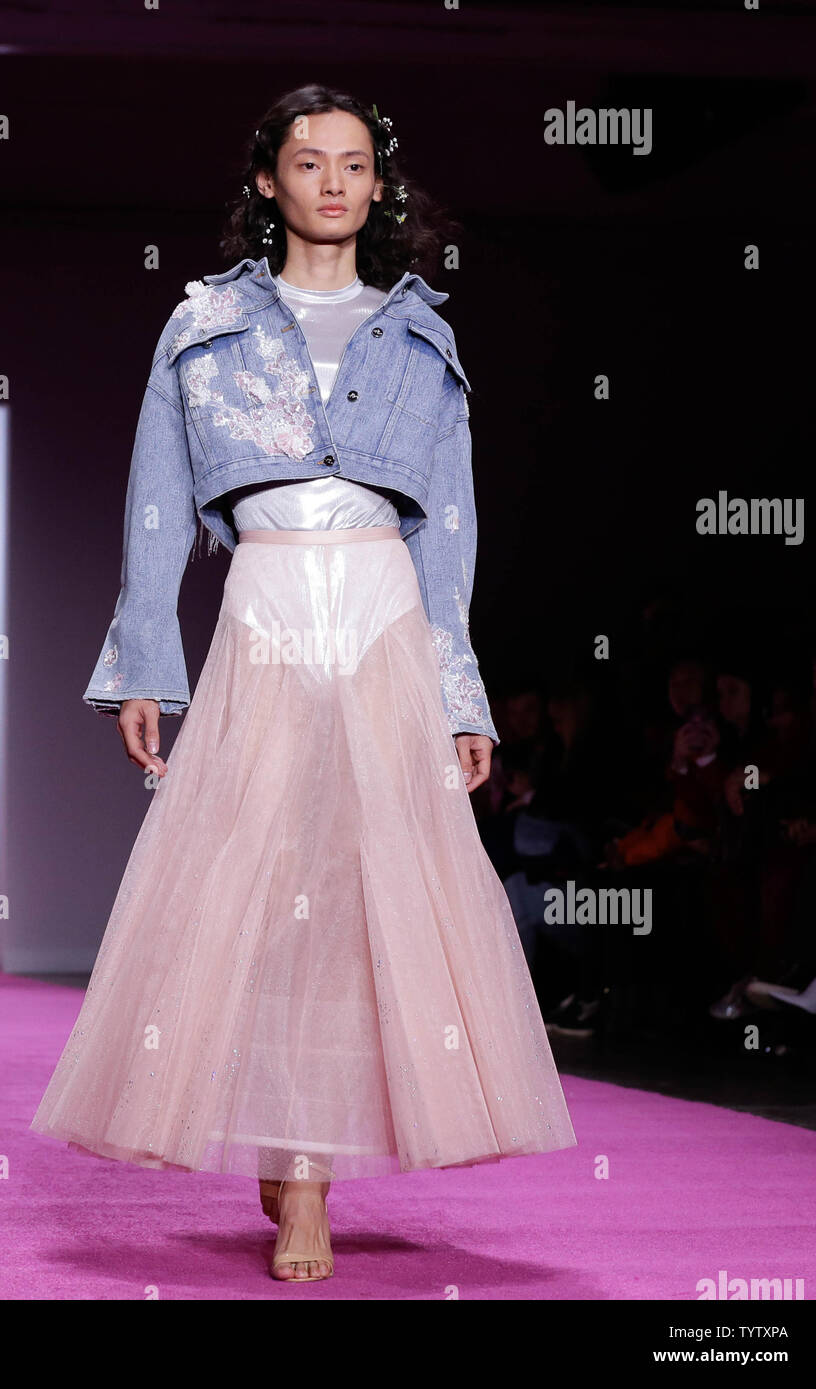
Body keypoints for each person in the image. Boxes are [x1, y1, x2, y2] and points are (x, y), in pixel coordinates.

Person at [31, 85, 576, 1283]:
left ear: (378, 187)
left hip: (380, 609)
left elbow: (449, 537)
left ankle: (308, 1175)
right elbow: (157, 503)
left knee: (362, 896)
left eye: (351, 163)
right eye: (305, 161)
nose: (330, 181)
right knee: (247, 880)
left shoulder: (421, 336)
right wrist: (145, 667)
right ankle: (285, 1139)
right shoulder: (203, 323)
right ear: (266, 183)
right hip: (268, 604)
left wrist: (459, 690)